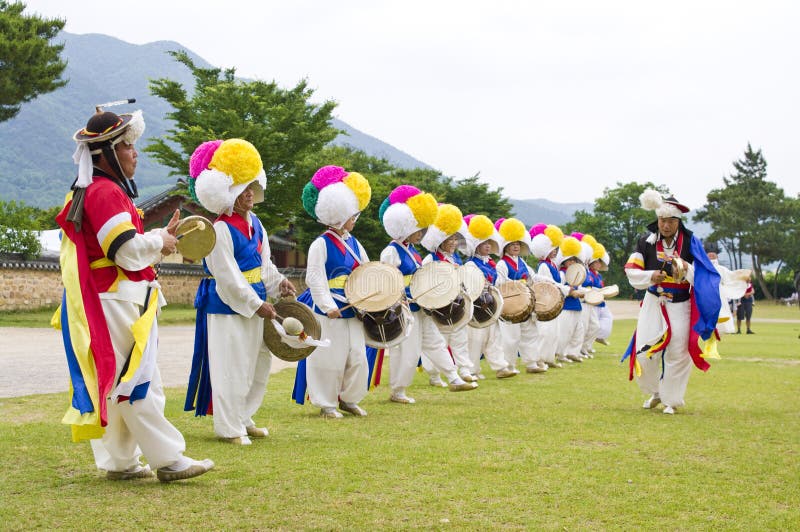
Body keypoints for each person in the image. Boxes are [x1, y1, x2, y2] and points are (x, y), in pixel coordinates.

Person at [56, 107, 213, 481]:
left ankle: (120, 462)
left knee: (116, 383)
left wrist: (161, 240)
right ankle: (168, 459)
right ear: (108, 153)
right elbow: (124, 250)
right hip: (118, 296)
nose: (135, 153)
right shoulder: (107, 193)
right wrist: (161, 239)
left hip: (110, 296)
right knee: (138, 381)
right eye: (128, 146)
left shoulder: (92, 191)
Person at [184, 139, 295, 443]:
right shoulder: (219, 229)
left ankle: (244, 417)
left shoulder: (256, 223)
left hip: (256, 301)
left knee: (258, 363)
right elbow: (228, 277)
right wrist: (257, 302)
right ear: (229, 193)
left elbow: (264, 265)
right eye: (243, 188)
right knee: (231, 366)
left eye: (252, 187)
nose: (249, 194)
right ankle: (228, 427)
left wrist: (279, 283)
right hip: (227, 305)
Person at [622, 189, 720, 415]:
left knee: (678, 350)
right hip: (654, 300)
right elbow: (631, 270)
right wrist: (650, 276)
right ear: (657, 220)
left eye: (670, 221)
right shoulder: (645, 242)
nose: (665, 225)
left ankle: (671, 400)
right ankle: (656, 391)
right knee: (644, 350)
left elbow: (705, 274)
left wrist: (686, 269)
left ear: (678, 221)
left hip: (681, 303)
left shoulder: (690, 242)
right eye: (662, 220)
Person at [378, 185, 477, 404]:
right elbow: (387, 280)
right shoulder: (391, 251)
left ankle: (453, 377)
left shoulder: (412, 251)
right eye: (418, 228)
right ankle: (398, 390)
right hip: (404, 307)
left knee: (435, 342)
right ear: (405, 227)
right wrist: (400, 298)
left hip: (421, 305)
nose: (421, 232)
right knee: (407, 351)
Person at [293, 165, 373, 418]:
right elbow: (315, 277)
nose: (354, 220)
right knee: (329, 358)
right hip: (332, 310)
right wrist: (328, 306)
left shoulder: (355, 243)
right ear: (338, 214)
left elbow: (367, 270)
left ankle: (349, 398)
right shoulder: (320, 244)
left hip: (354, 308)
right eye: (351, 215)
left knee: (358, 356)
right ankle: (326, 403)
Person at [420, 203, 479, 384]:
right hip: (438, 306)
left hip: (456, 303)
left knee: (460, 336)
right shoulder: (430, 258)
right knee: (439, 338)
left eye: (455, 238)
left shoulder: (455, 258)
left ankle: (464, 368)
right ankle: (434, 374)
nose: (453, 242)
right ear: (439, 240)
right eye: (449, 238)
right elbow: (425, 282)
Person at [460, 214, 517, 379]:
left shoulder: (490, 263)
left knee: (494, 337)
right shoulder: (470, 263)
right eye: (483, 243)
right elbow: (471, 285)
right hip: (476, 307)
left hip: (491, 305)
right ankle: (472, 369)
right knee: (475, 339)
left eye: (488, 243)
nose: (487, 246)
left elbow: (498, 282)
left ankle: (501, 366)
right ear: (475, 245)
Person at [494, 217, 547, 373]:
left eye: (518, 244)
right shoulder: (502, 264)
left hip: (524, 304)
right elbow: (500, 283)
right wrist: (518, 285)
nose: (516, 246)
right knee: (511, 337)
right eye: (512, 244)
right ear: (505, 247)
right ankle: (508, 365)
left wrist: (547, 282)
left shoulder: (522, 263)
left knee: (530, 332)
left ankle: (531, 363)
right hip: (509, 305)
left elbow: (533, 277)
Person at [529, 223, 569, 367]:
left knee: (554, 332)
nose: (555, 252)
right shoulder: (544, 265)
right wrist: (565, 290)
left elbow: (558, 280)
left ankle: (549, 358)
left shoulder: (552, 265)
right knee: (545, 332)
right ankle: (540, 358)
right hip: (546, 302)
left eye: (556, 249)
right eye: (552, 249)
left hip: (554, 301)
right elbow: (547, 284)